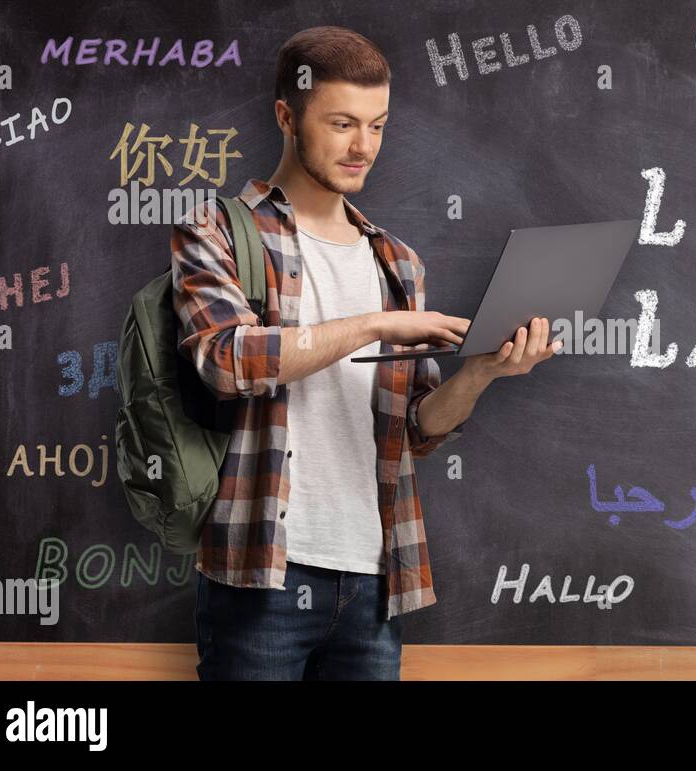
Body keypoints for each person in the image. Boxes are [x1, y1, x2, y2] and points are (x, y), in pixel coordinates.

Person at [171, 26, 560, 680]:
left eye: (377, 126)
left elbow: (416, 430)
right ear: (286, 116)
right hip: (261, 572)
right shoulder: (218, 232)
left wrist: (485, 372)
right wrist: (377, 325)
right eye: (343, 123)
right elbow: (226, 360)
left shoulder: (397, 262)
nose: (363, 147)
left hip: (375, 577)